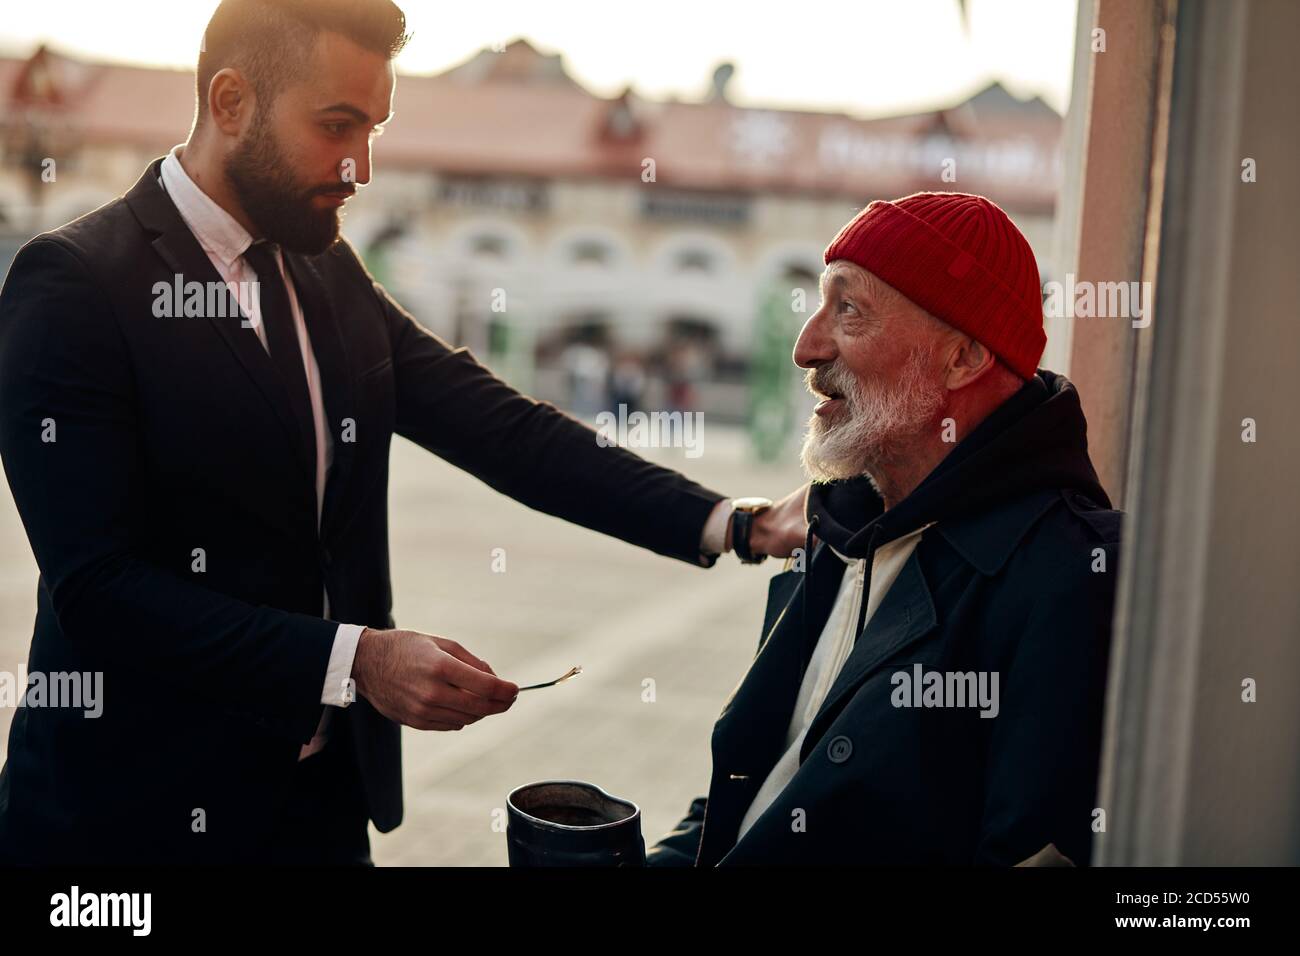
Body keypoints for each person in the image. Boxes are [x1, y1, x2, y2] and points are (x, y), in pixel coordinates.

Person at [0, 0, 804, 864]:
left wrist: (736, 522)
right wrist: (358, 662)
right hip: (129, 820)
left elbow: (501, 428)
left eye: (375, 128)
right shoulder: (77, 284)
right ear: (230, 102)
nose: (362, 166)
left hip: (318, 810)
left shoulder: (324, 265)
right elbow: (99, 588)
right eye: (337, 125)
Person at [649, 192, 1121, 866]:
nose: (806, 347)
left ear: (962, 358)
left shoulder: (1072, 577)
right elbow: (747, 800)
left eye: (850, 310)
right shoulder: (838, 531)